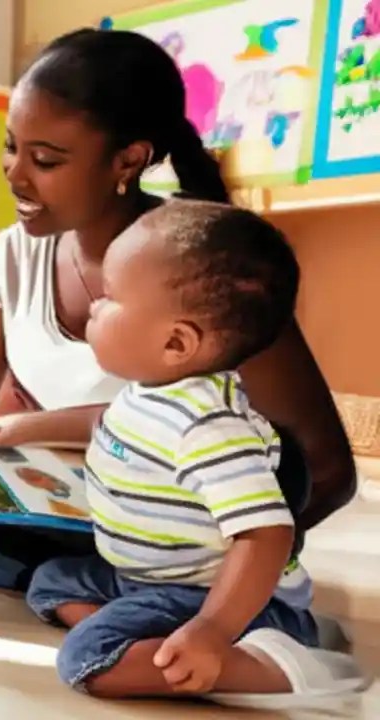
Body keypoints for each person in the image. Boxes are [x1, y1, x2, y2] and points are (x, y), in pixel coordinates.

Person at [0, 28, 356, 594]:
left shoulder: (210, 268)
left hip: (173, 536)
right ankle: (74, 581)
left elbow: (325, 472)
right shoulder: (13, 255)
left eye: (45, 159)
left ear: (128, 160)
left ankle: (107, 584)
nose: (14, 173)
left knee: (270, 477)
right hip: (62, 513)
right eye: (12, 146)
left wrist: (230, 566)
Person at [22, 200, 371, 702]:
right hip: (146, 577)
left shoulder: (209, 426)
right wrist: (18, 429)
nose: (94, 306)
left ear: (176, 344)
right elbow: (106, 422)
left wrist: (211, 627)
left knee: (86, 659)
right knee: (51, 582)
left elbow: (266, 535)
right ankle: (164, 645)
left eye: (110, 298)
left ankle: (283, 664)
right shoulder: (153, 390)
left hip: (217, 595)